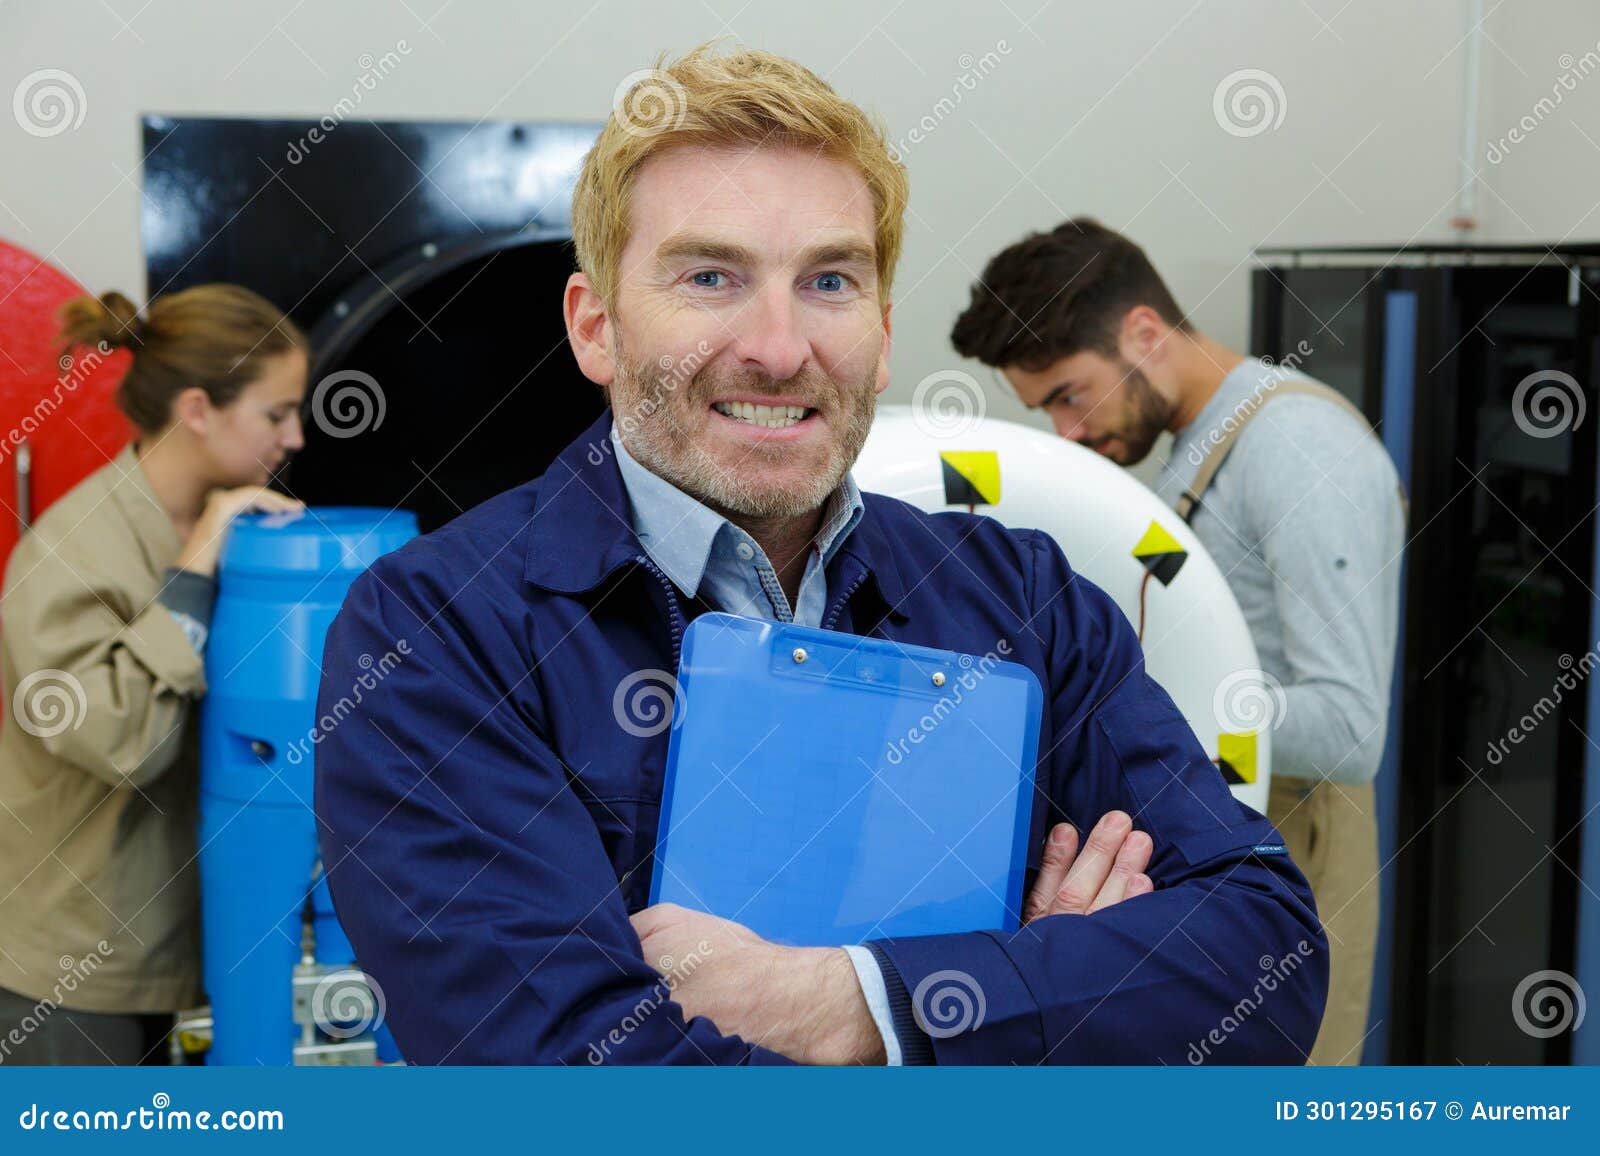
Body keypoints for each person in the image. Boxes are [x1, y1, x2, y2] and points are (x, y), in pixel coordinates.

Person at [313, 44, 1326, 1066]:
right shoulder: (438, 633)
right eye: (710, 276)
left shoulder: (1027, 601)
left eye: (829, 280)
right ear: (596, 328)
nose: (779, 347)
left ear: (883, 336)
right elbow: (575, 1079)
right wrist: (1035, 988)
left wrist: (867, 1002)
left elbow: (1266, 957)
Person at [950, 218, 1404, 1065]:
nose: (1068, 433)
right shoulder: (1196, 444)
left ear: (1144, 334)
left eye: (1068, 395)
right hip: (1216, 836)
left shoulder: (1299, 448)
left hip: (1297, 840)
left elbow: (1350, 728)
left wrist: (1146, 705)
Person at [0, 285, 307, 1064]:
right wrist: (193, 573)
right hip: (72, 973)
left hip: (177, 947)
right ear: (199, 410)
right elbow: (121, 742)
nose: (297, 436)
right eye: (276, 414)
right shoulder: (74, 550)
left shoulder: (240, 527)